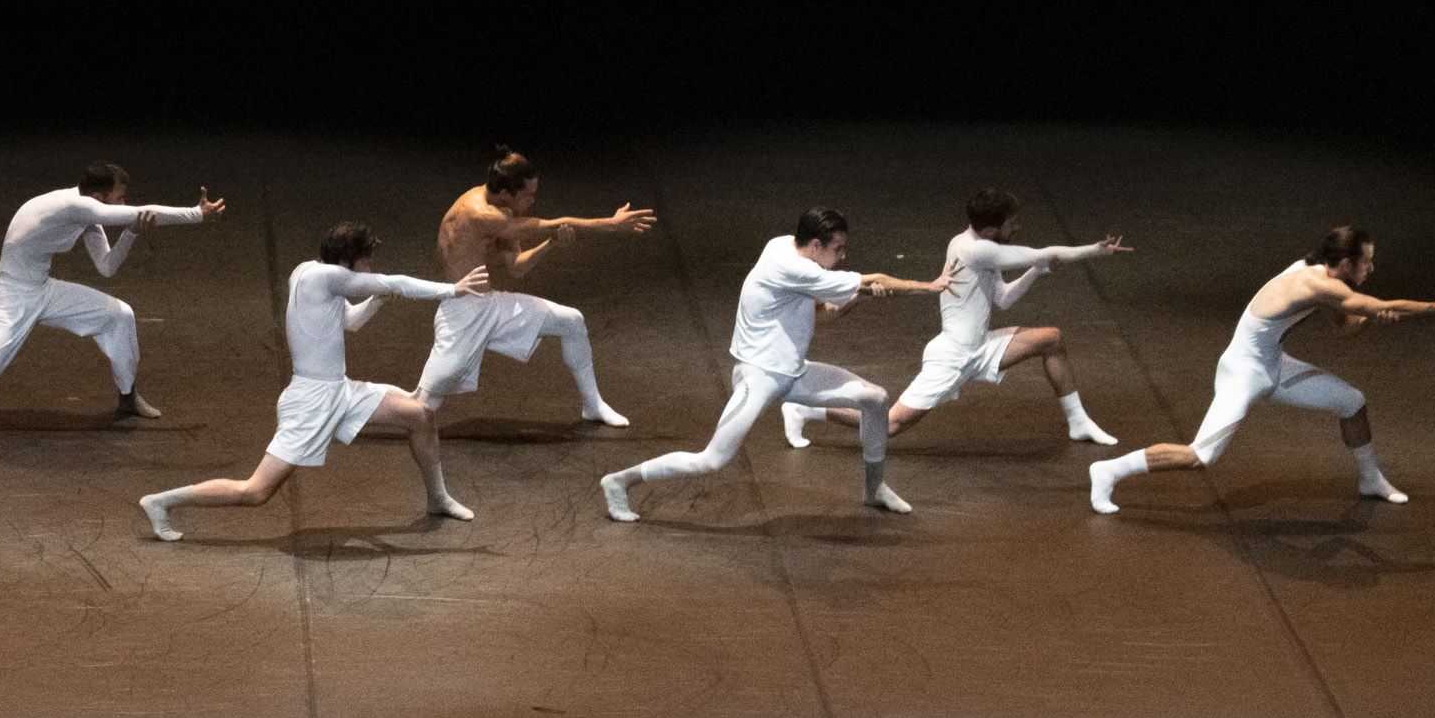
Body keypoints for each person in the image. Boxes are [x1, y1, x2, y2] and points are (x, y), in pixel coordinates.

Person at [599, 208, 950, 522]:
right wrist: (930, 287)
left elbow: (823, 316)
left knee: (875, 398)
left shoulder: (783, 245)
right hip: (759, 376)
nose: (843, 255)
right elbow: (877, 280)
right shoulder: (792, 266)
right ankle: (620, 480)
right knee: (711, 460)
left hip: (795, 373)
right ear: (815, 245)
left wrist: (861, 295)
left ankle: (874, 489)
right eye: (838, 248)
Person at [138, 224, 483, 541]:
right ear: (348, 261)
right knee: (256, 491)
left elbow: (350, 322)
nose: (370, 270)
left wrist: (375, 300)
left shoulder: (308, 272)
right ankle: (162, 501)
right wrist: (452, 290)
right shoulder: (325, 276)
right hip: (311, 400)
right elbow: (395, 282)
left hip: (340, 391)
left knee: (420, 415)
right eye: (366, 263)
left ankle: (437, 498)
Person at [1091, 225, 1435, 512]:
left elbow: (1344, 328)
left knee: (1352, 401)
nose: (1371, 268)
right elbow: (1375, 304)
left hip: (1274, 366)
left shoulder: (1323, 280)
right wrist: (1432, 309)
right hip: (1243, 372)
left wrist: (1372, 318)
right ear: (1346, 262)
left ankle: (1370, 479)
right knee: (1200, 456)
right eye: (1367, 262)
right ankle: (1108, 470)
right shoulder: (1313, 283)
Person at [785, 187, 1128, 452]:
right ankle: (807, 410)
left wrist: (1033, 274)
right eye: (1012, 223)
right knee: (890, 426)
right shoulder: (974, 249)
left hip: (981, 346)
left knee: (1051, 339)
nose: (1017, 227)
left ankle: (1078, 421)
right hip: (952, 356)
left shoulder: (982, 247)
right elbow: (1047, 252)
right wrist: (1096, 251)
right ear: (993, 229)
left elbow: (1004, 300)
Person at [0, 165, 224, 419]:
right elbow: (142, 213)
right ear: (99, 197)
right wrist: (196, 214)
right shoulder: (71, 205)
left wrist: (130, 234)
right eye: (120, 196)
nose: (123, 202)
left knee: (120, 314)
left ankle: (127, 398)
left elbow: (106, 267)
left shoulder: (86, 214)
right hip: (11, 297)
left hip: (44, 291)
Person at [416, 148, 653, 428]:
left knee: (572, 321)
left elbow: (516, 266)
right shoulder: (479, 214)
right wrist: (611, 225)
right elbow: (557, 222)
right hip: (462, 315)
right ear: (506, 193)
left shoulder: (501, 208)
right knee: (422, 406)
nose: (533, 200)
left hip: (489, 304)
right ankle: (356, 405)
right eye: (528, 194)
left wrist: (551, 244)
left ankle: (593, 405)